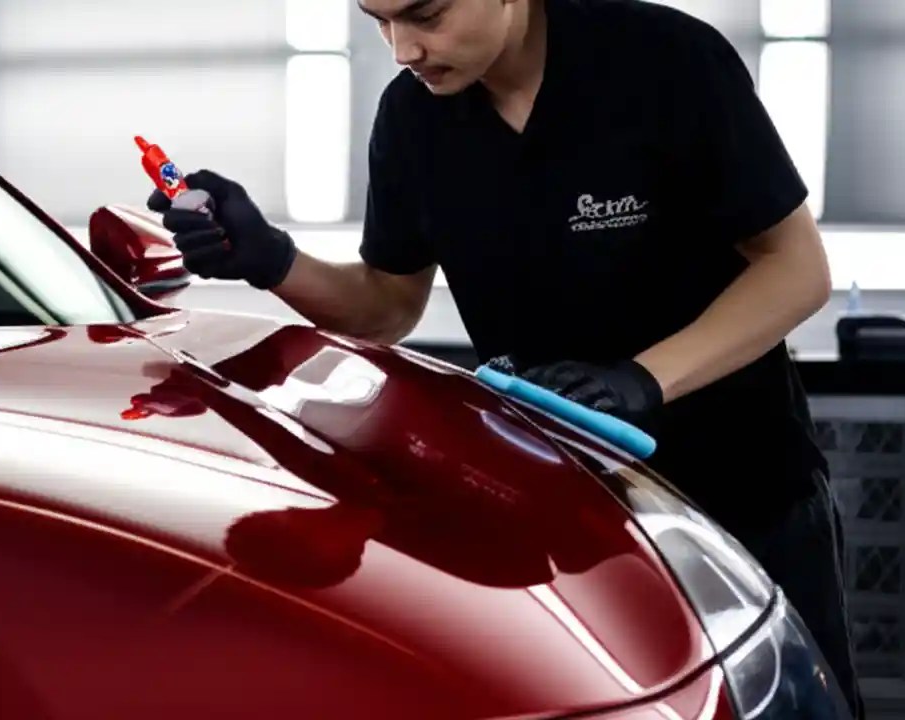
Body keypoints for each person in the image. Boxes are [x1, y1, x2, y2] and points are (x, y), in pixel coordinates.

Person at [147, 0, 863, 715]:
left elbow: (796, 270)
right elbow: (388, 306)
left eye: (424, 14)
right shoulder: (414, 119)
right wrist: (270, 259)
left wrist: (644, 380)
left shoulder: (668, 62)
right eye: (379, 21)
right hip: (564, 520)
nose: (403, 50)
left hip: (744, 500)